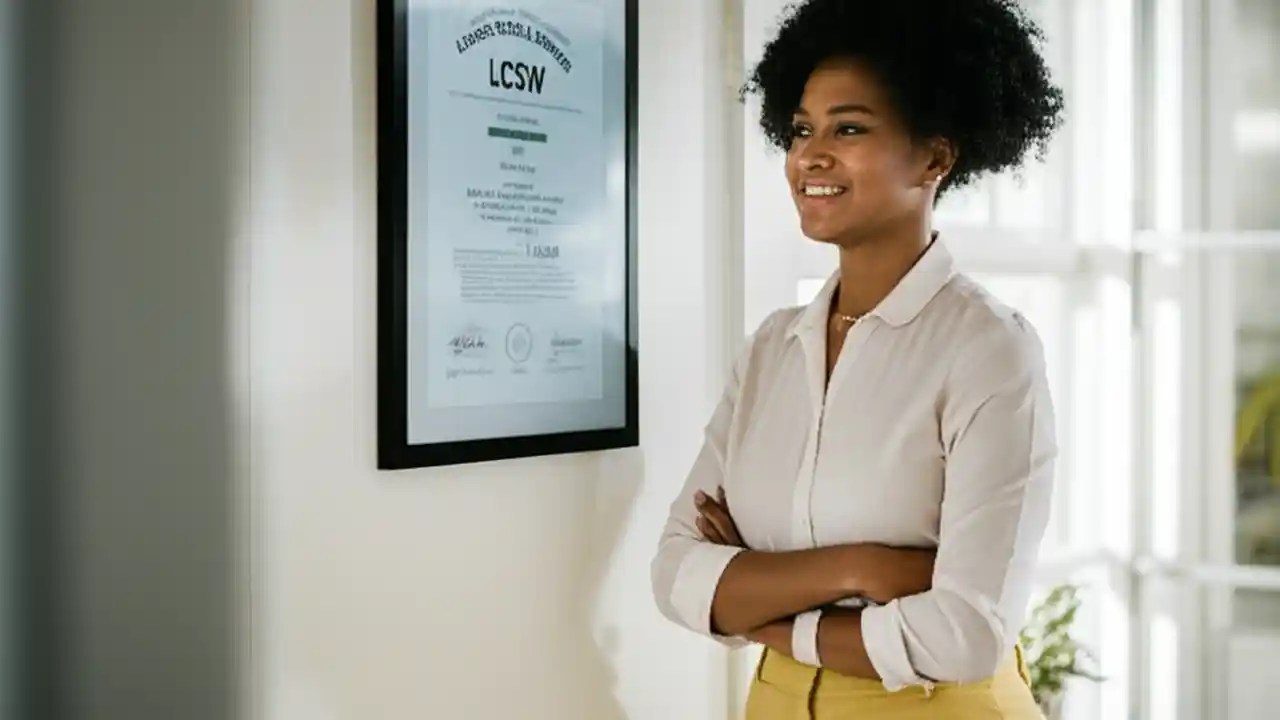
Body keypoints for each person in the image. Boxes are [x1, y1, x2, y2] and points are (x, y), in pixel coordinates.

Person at [650, 0, 1065, 717]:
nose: (810, 154)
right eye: (802, 129)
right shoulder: (771, 351)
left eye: (849, 128)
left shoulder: (988, 349)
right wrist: (862, 568)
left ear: (935, 156)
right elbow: (676, 575)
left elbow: (966, 634)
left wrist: (760, 607)